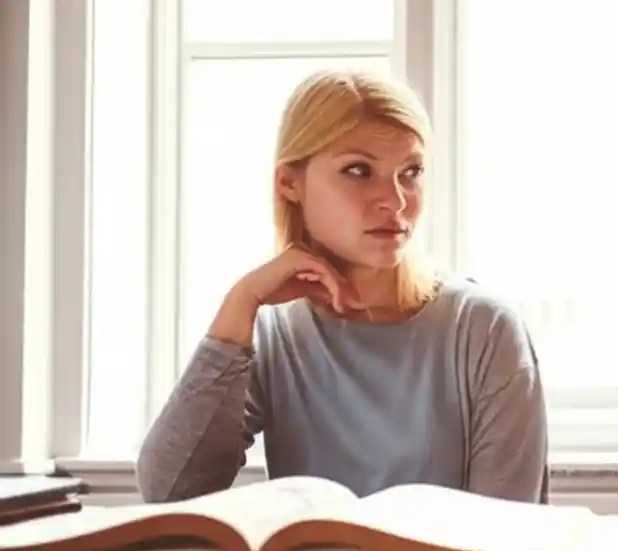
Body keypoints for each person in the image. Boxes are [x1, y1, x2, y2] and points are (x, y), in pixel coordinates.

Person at [138, 70, 548, 503]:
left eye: (410, 172)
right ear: (290, 183)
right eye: (359, 170)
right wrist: (241, 302)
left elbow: (510, 534)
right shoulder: (271, 336)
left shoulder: (485, 331)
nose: (394, 200)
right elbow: (169, 491)